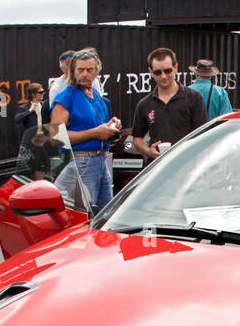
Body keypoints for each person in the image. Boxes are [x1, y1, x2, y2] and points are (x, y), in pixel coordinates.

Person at [50, 48, 121, 207]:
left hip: (101, 160)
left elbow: (96, 125)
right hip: (83, 160)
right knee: (86, 217)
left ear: (97, 71)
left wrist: (111, 125)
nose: (85, 74)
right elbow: (55, 138)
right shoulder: (66, 96)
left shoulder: (94, 93)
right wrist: (96, 133)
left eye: (89, 70)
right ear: (72, 71)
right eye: (80, 70)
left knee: (104, 217)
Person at [131, 47, 208, 162]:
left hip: (186, 166)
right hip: (157, 168)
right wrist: (148, 151)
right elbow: (137, 138)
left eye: (167, 71)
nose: (163, 76)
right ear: (151, 72)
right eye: (158, 72)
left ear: (175, 67)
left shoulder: (194, 98)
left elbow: (203, 136)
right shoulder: (144, 104)